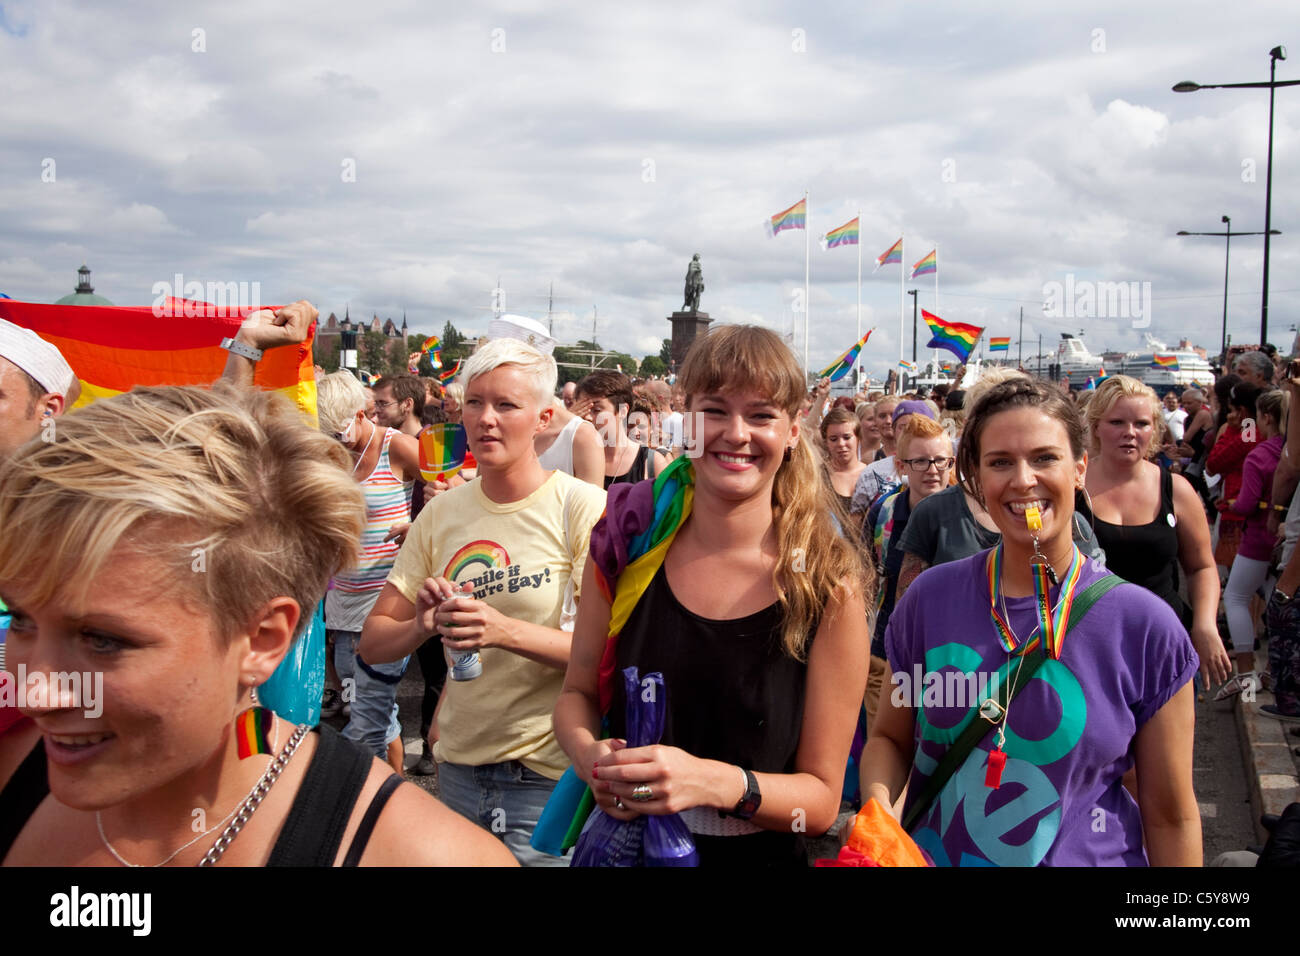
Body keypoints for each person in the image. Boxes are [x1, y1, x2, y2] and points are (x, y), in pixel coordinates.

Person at [0, 380, 515, 866]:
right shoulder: (14, 766)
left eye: (103, 640)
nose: (35, 694)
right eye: (21, 620)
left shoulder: (426, 855)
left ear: (262, 640)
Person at [553, 325, 870, 867]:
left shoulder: (827, 585)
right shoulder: (627, 546)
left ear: (794, 431)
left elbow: (819, 803)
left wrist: (713, 783)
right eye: (715, 410)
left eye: (762, 415)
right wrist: (592, 760)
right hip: (625, 850)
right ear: (685, 422)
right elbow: (575, 695)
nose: (736, 433)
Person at [861, 378, 1201, 866]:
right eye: (1000, 462)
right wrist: (878, 811)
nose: (1023, 480)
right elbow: (891, 739)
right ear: (975, 477)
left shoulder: (1145, 627)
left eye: (1045, 458)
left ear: (1080, 468)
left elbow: (1170, 815)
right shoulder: (929, 600)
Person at [360, 338, 606, 866]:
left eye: (506, 405)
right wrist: (423, 624)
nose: (486, 419)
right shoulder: (441, 513)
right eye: (474, 402)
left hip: (546, 773)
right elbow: (375, 643)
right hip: (458, 768)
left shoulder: (581, 507)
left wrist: (501, 631)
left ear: (543, 417)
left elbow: (610, 652)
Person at [1076, 376, 1228, 688]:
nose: (1129, 433)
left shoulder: (1177, 489)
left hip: (1164, 643)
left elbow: (1200, 566)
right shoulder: (1070, 488)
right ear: (1095, 427)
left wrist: (1205, 625)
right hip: (1086, 648)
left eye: (1141, 423)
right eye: (1117, 422)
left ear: (1154, 429)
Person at [316, 372, 421, 776]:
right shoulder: (330, 454)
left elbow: (453, 489)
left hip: (387, 601)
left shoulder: (395, 446)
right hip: (342, 600)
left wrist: (420, 526)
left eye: (339, 428)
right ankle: (397, 792)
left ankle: (344, 789)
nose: (335, 438)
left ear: (361, 414)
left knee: (366, 712)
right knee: (372, 707)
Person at [861, 416, 953, 739]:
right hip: (886, 655)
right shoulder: (883, 512)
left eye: (941, 460)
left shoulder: (973, 515)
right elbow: (867, 575)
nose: (933, 469)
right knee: (884, 743)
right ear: (901, 465)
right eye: (922, 461)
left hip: (951, 663)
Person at [1218, 389, 1290, 699]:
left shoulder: (1254, 443)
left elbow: (1225, 457)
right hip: (1284, 539)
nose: (1232, 414)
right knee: (1280, 603)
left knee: (1235, 596)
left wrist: (1228, 501)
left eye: (1237, 409)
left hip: (1257, 533)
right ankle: (1275, 671)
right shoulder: (1288, 449)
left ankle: (1247, 673)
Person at [573, 370, 668, 489]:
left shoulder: (652, 463)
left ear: (623, 411)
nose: (587, 416)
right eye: (582, 409)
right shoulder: (571, 459)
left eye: (596, 410)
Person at [820, 406, 868, 515]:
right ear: (826, 442)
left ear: (858, 438)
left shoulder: (871, 474)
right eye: (833, 439)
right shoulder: (818, 476)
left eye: (847, 437)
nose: (841, 444)